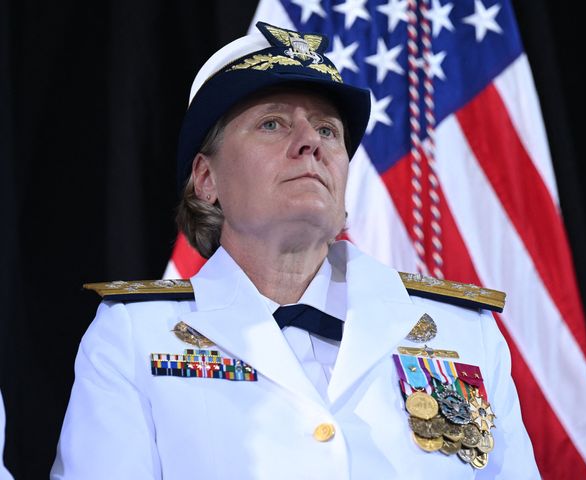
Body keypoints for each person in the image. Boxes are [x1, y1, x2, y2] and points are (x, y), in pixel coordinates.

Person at [51, 22, 539, 479]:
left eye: (328, 130)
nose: (311, 143)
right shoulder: (134, 336)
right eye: (273, 124)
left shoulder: (462, 329)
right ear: (206, 179)